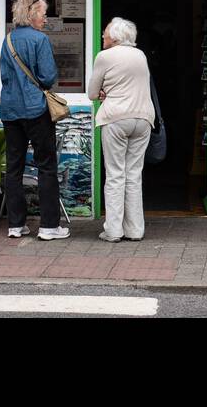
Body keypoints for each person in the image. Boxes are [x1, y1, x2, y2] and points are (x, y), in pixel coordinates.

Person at [0, 0, 67, 241]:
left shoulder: (6, 40)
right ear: (31, 14)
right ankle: (49, 227)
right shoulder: (40, 40)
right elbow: (48, 77)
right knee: (46, 166)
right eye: (43, 14)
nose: (45, 19)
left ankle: (16, 225)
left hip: (10, 110)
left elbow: (5, 77)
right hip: (36, 109)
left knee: (13, 168)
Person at [87, 17, 156, 243]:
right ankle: (135, 230)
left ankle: (114, 230)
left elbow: (92, 93)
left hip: (116, 118)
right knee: (134, 175)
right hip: (144, 118)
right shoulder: (141, 55)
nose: (102, 36)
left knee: (115, 174)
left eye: (105, 32)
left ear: (115, 37)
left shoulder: (104, 56)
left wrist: (104, 93)